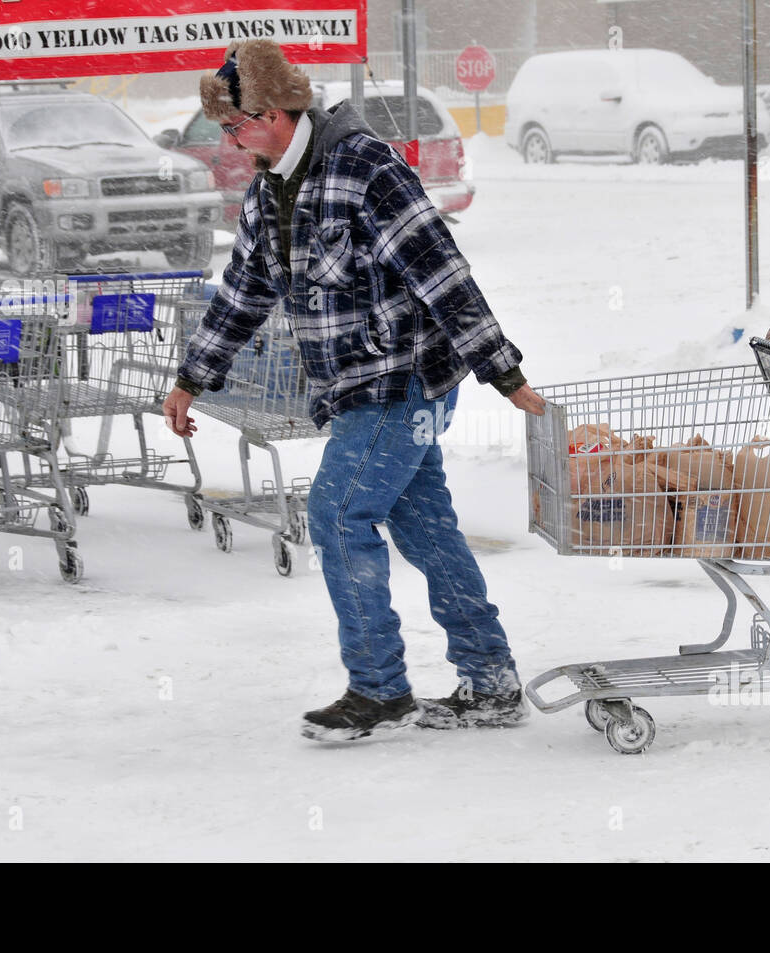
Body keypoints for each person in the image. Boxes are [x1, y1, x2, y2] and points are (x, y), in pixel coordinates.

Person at [162, 40, 546, 742]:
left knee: (337, 514)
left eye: (236, 125)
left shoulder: (364, 169)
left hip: (401, 383)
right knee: (426, 531)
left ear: (275, 112)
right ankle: (489, 679)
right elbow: (243, 292)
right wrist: (193, 376)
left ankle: (378, 688)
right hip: (355, 389)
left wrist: (503, 371)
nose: (231, 140)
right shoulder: (269, 189)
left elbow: (442, 271)